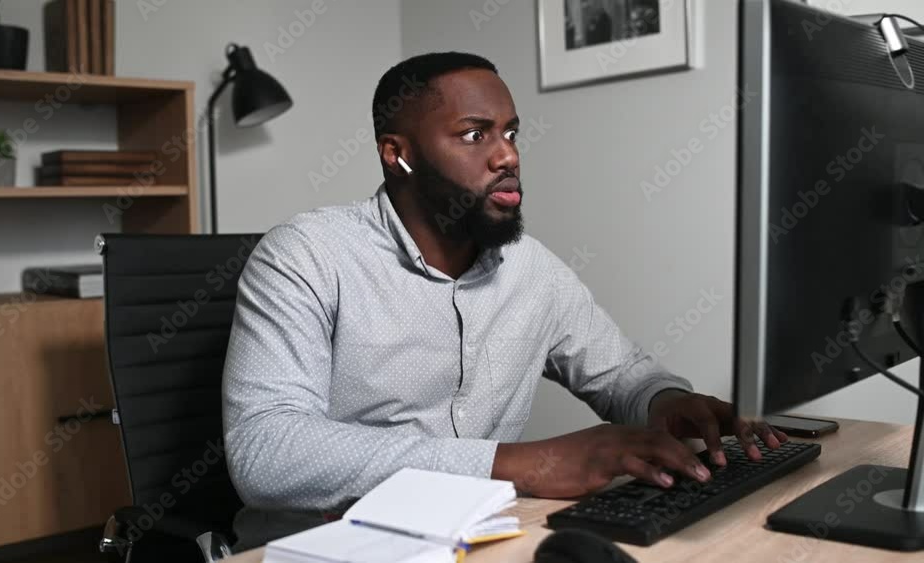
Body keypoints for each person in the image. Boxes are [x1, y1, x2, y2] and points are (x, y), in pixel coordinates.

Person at [222, 51, 787, 550]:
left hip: (476, 539)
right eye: (475, 135)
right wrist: (515, 465)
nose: (507, 157)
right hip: (327, 548)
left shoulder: (530, 268)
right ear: (398, 155)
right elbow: (265, 450)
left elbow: (622, 374)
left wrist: (663, 401)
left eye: (511, 133)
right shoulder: (306, 255)